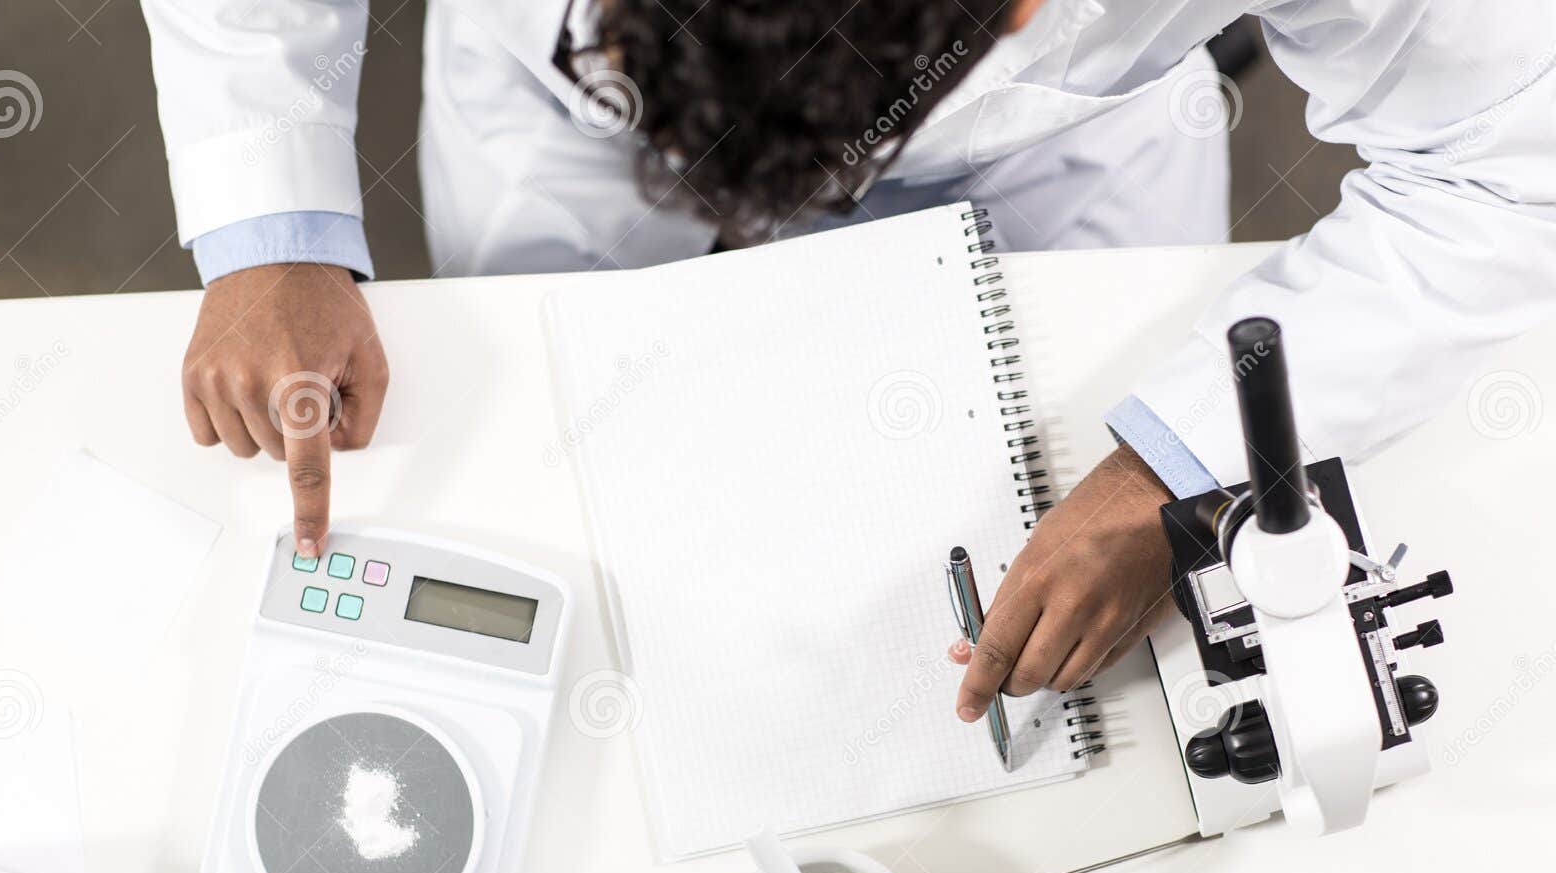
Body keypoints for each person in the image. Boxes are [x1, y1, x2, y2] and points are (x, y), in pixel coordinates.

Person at [143, 0, 1556, 732]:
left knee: (1018, 576)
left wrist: (1169, 477)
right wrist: (270, 216)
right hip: (559, 90)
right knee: (552, 495)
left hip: (1058, 140)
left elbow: (1510, 171)